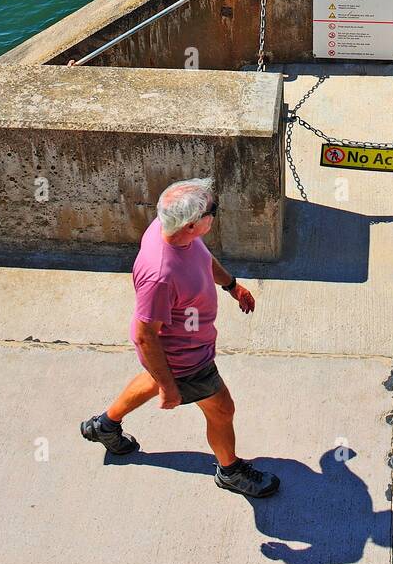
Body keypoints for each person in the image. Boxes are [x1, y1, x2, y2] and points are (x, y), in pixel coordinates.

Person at [81, 177, 279, 498]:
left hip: (186, 347)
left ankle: (104, 425)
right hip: (187, 359)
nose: (215, 213)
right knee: (221, 409)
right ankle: (229, 471)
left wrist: (232, 286)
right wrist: (172, 387)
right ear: (191, 224)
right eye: (212, 210)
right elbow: (145, 336)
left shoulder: (174, 232)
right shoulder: (160, 274)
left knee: (152, 378)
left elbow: (202, 258)